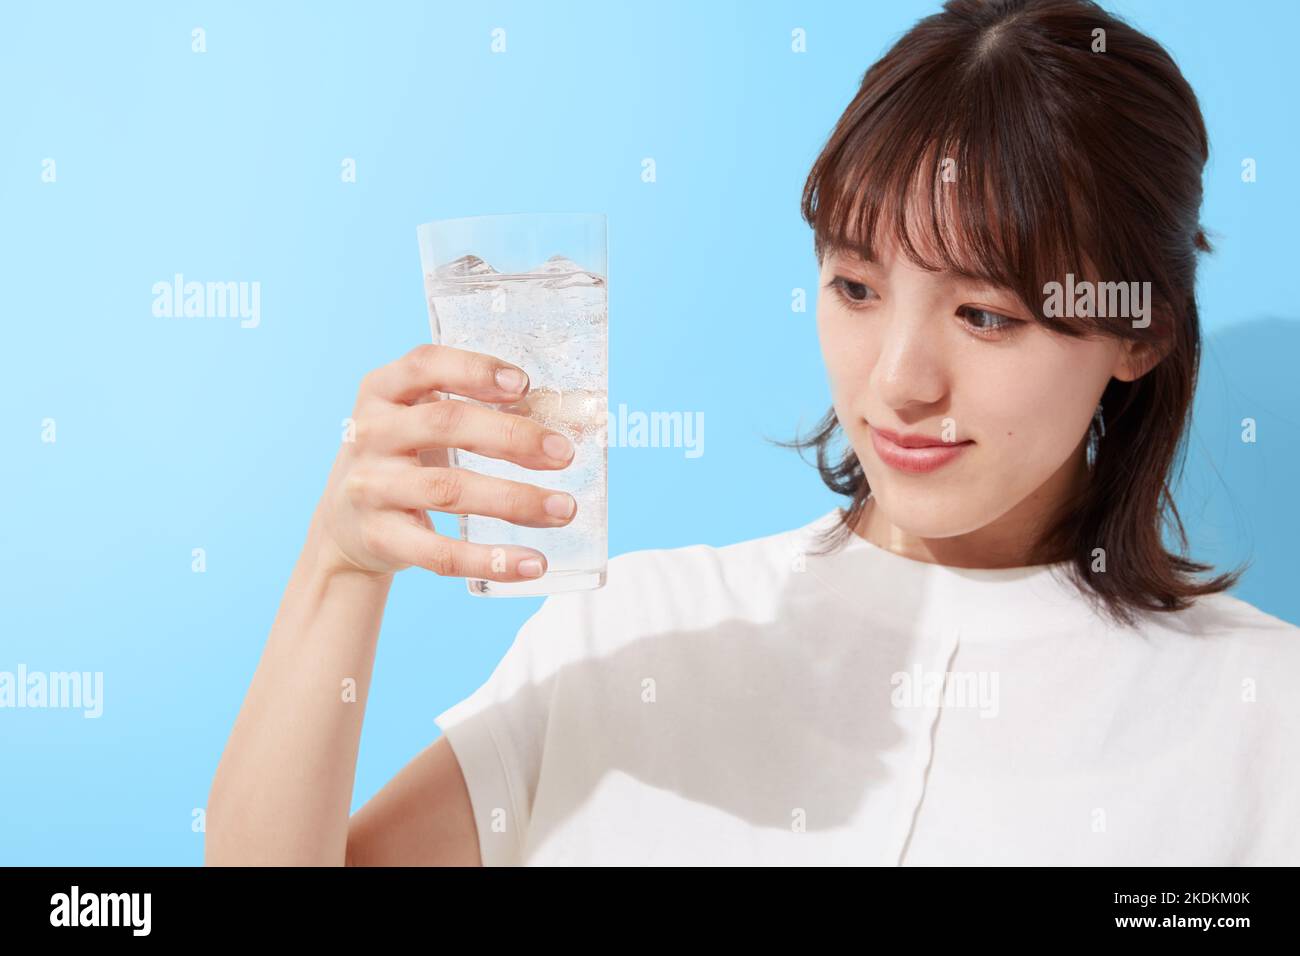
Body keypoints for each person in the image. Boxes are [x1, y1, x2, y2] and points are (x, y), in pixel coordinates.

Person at [205, 0, 1300, 866]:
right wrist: (340, 564)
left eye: (985, 314)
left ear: (1138, 329)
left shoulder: (1263, 721)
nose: (898, 380)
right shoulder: (638, 632)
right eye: (856, 287)